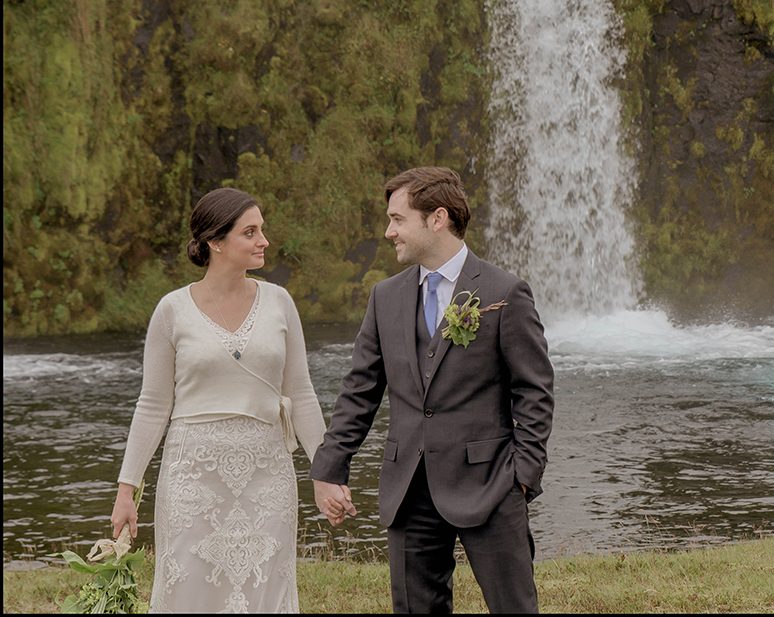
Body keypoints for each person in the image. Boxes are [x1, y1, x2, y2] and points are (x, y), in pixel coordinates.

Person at [310, 166, 554, 614]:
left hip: (491, 483)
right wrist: (330, 468)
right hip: (407, 487)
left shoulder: (504, 292)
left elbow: (534, 391)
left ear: (437, 218)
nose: (389, 231)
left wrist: (522, 476)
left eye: (398, 219)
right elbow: (360, 390)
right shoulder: (385, 297)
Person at [111, 187, 328, 613]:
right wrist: (126, 490)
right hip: (192, 479)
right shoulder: (171, 310)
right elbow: (152, 405)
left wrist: (326, 470)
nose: (264, 240)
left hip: (268, 476)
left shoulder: (280, 302)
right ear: (216, 241)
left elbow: (301, 394)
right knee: (190, 592)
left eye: (261, 230)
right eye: (250, 232)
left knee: (266, 591)